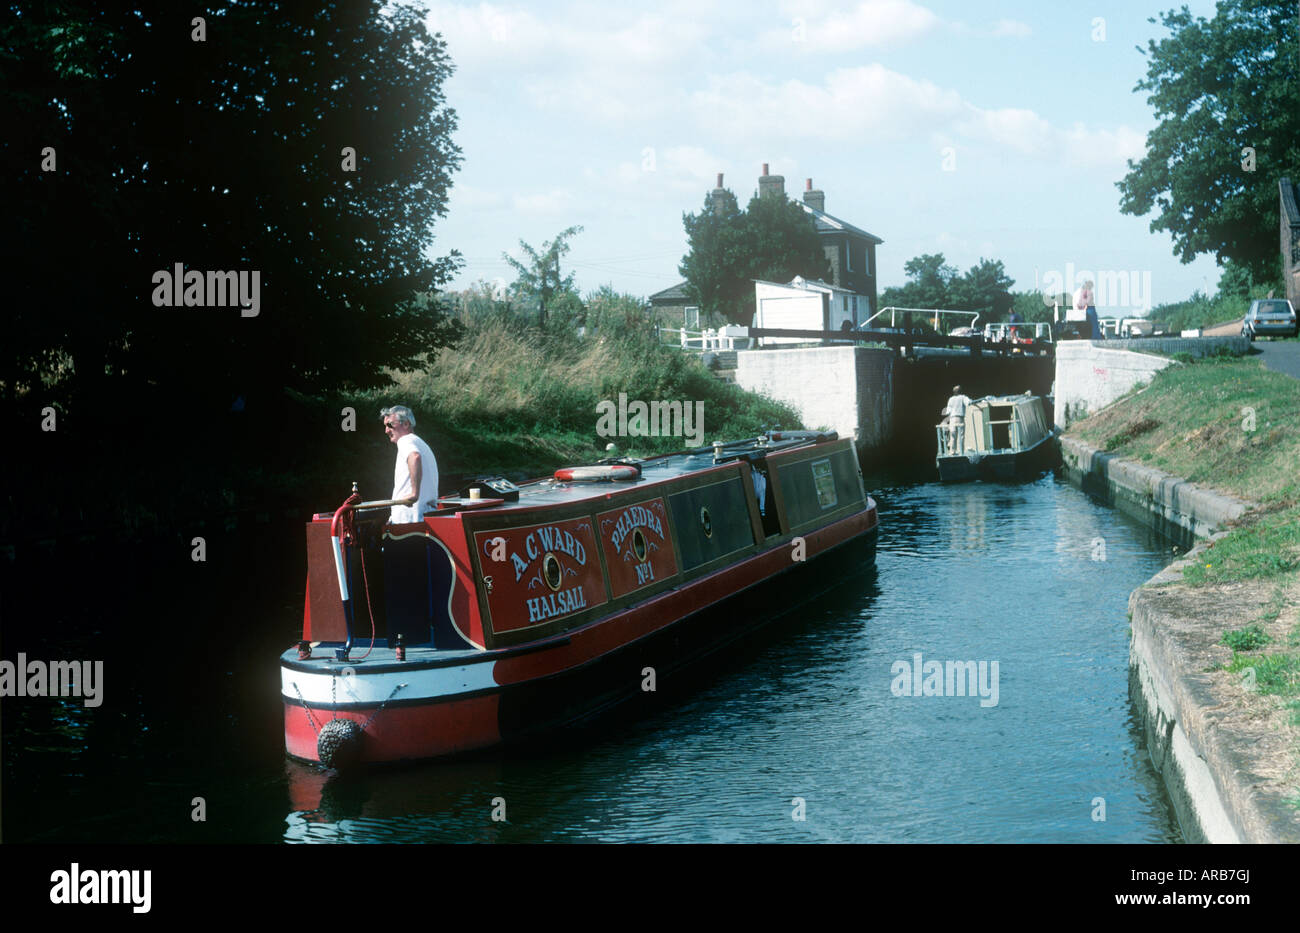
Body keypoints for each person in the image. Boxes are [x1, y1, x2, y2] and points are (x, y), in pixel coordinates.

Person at [381, 405, 439, 523]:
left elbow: (414, 457)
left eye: (390, 425)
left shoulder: (405, 440)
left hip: (408, 519)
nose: (386, 430)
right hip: (424, 517)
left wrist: (414, 493)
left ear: (406, 424)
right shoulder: (421, 443)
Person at [941, 385, 971, 455]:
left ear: (954, 392)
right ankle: (961, 452)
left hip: (952, 418)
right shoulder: (963, 397)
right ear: (961, 391)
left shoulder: (950, 399)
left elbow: (948, 411)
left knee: (953, 435)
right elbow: (968, 403)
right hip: (960, 418)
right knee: (961, 436)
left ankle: (952, 451)